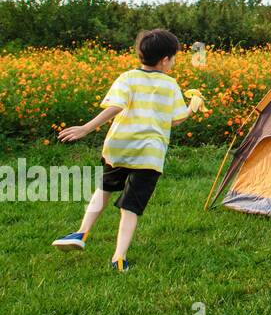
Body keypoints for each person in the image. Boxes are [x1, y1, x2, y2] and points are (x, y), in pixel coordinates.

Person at [52, 29, 203, 271]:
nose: (174, 62)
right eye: (174, 57)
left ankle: (80, 233)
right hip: (149, 154)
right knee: (131, 205)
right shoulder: (169, 84)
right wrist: (191, 110)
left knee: (104, 189)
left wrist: (87, 128)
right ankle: (119, 258)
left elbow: (115, 106)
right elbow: (174, 120)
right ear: (165, 60)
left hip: (120, 147)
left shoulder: (128, 77)